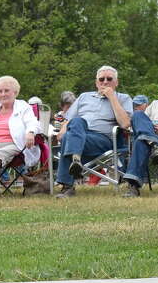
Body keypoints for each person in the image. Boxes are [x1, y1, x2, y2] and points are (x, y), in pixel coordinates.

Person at [53, 66, 134, 198]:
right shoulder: (84, 97)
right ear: (96, 83)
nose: (105, 82)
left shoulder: (123, 98)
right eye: (101, 79)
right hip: (78, 135)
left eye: (109, 79)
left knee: (69, 137)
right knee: (76, 124)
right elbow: (69, 120)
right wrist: (62, 130)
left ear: (116, 82)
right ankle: (76, 159)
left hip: (103, 140)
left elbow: (125, 124)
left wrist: (112, 97)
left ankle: (67, 186)